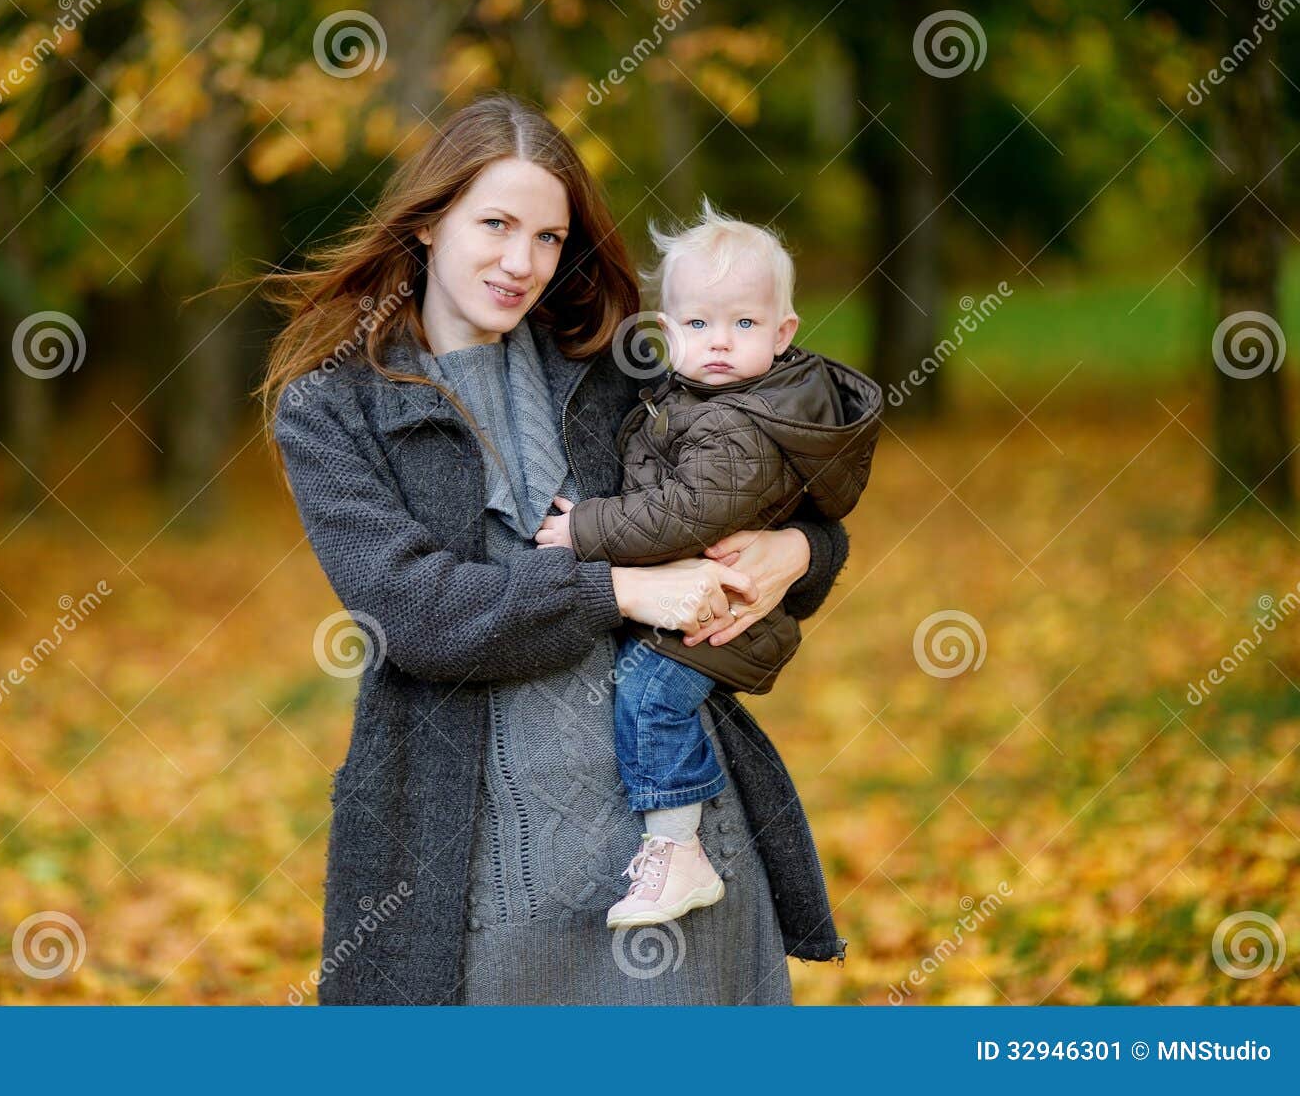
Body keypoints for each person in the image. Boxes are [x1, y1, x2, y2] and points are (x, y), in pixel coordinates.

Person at [262, 93, 849, 1004]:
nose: (521, 262)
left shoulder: (617, 367)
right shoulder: (331, 408)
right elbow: (417, 612)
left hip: (677, 840)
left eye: (547, 235)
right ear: (426, 224)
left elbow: (760, 483)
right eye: (495, 224)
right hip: (478, 862)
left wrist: (800, 554)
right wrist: (615, 590)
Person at [535, 198, 882, 930]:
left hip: (718, 616)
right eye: (698, 324)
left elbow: (684, 514)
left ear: (783, 333)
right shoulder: (704, 397)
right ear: (667, 332)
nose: (719, 342)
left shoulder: (736, 421)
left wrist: (585, 529)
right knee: (644, 692)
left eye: (744, 324)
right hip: (708, 602)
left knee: (650, 696)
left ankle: (677, 848)